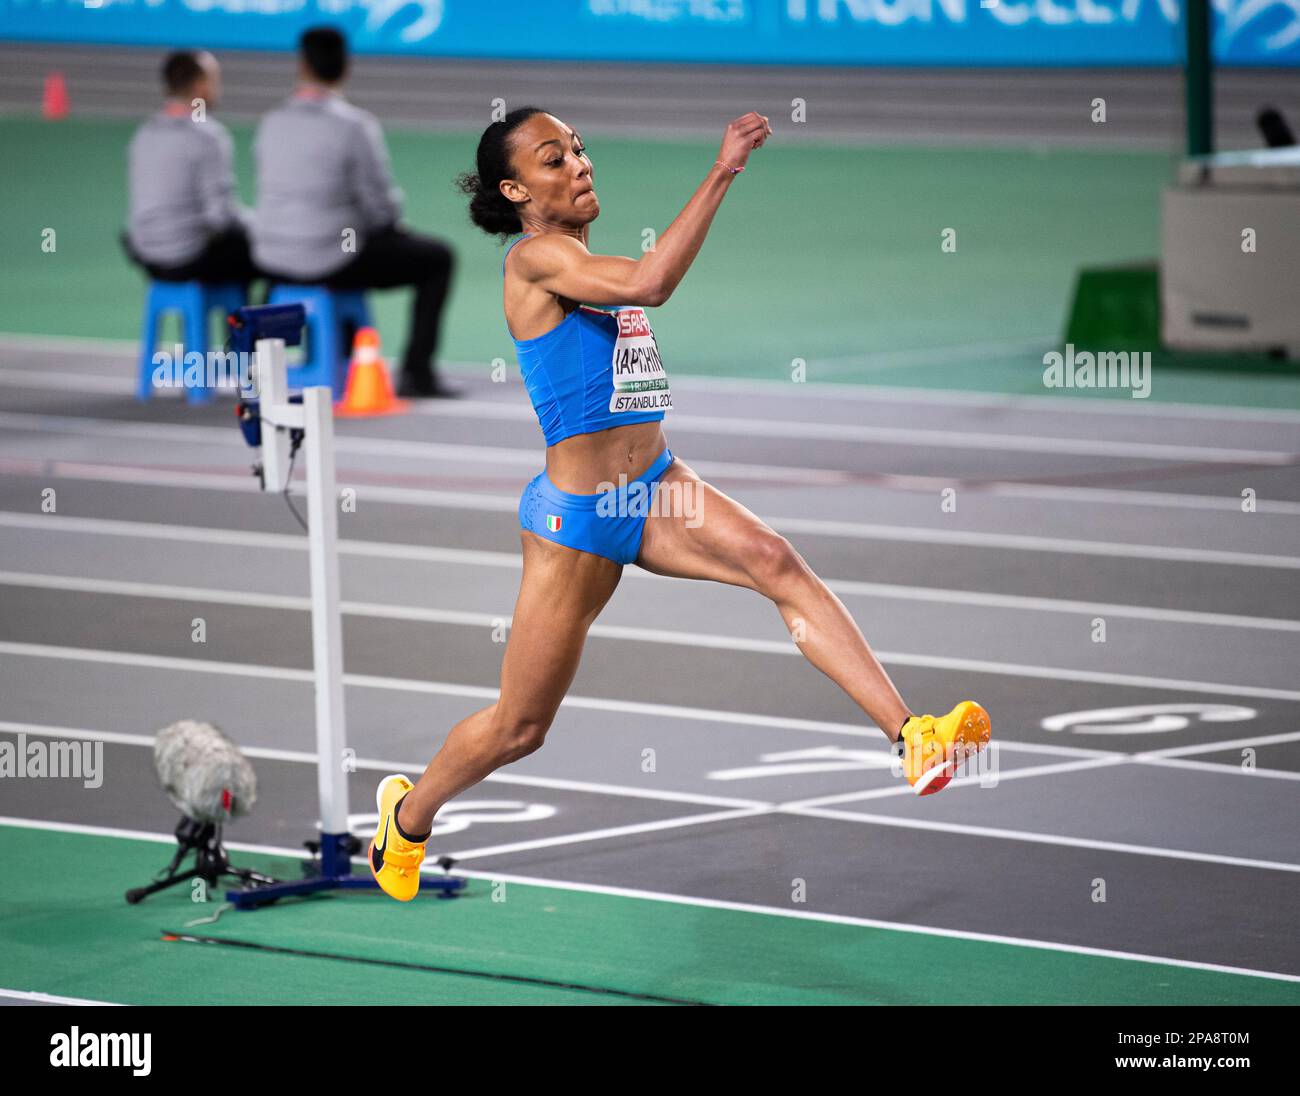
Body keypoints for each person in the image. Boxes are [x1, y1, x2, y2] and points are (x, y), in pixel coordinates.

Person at [368, 108, 992, 900]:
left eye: (582, 149)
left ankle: (913, 736)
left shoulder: (584, 259)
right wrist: (725, 167)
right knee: (521, 728)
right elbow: (651, 284)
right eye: (555, 159)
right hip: (580, 520)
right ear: (516, 189)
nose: (581, 165)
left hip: (658, 484)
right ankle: (408, 817)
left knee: (776, 563)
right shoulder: (534, 262)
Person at [251, 26, 458, 398]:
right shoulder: (354, 126)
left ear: (301, 65)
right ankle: (416, 373)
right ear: (345, 67)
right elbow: (379, 205)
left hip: (272, 254)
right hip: (332, 256)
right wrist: (390, 225)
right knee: (437, 258)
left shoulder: (270, 122)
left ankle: (255, 362)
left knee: (333, 250)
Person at [123, 50, 258, 288]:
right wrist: (260, 223)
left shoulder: (144, 134)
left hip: (147, 255)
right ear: (201, 85)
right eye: (215, 81)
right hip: (188, 256)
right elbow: (221, 218)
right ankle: (241, 323)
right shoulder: (208, 136)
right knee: (271, 256)